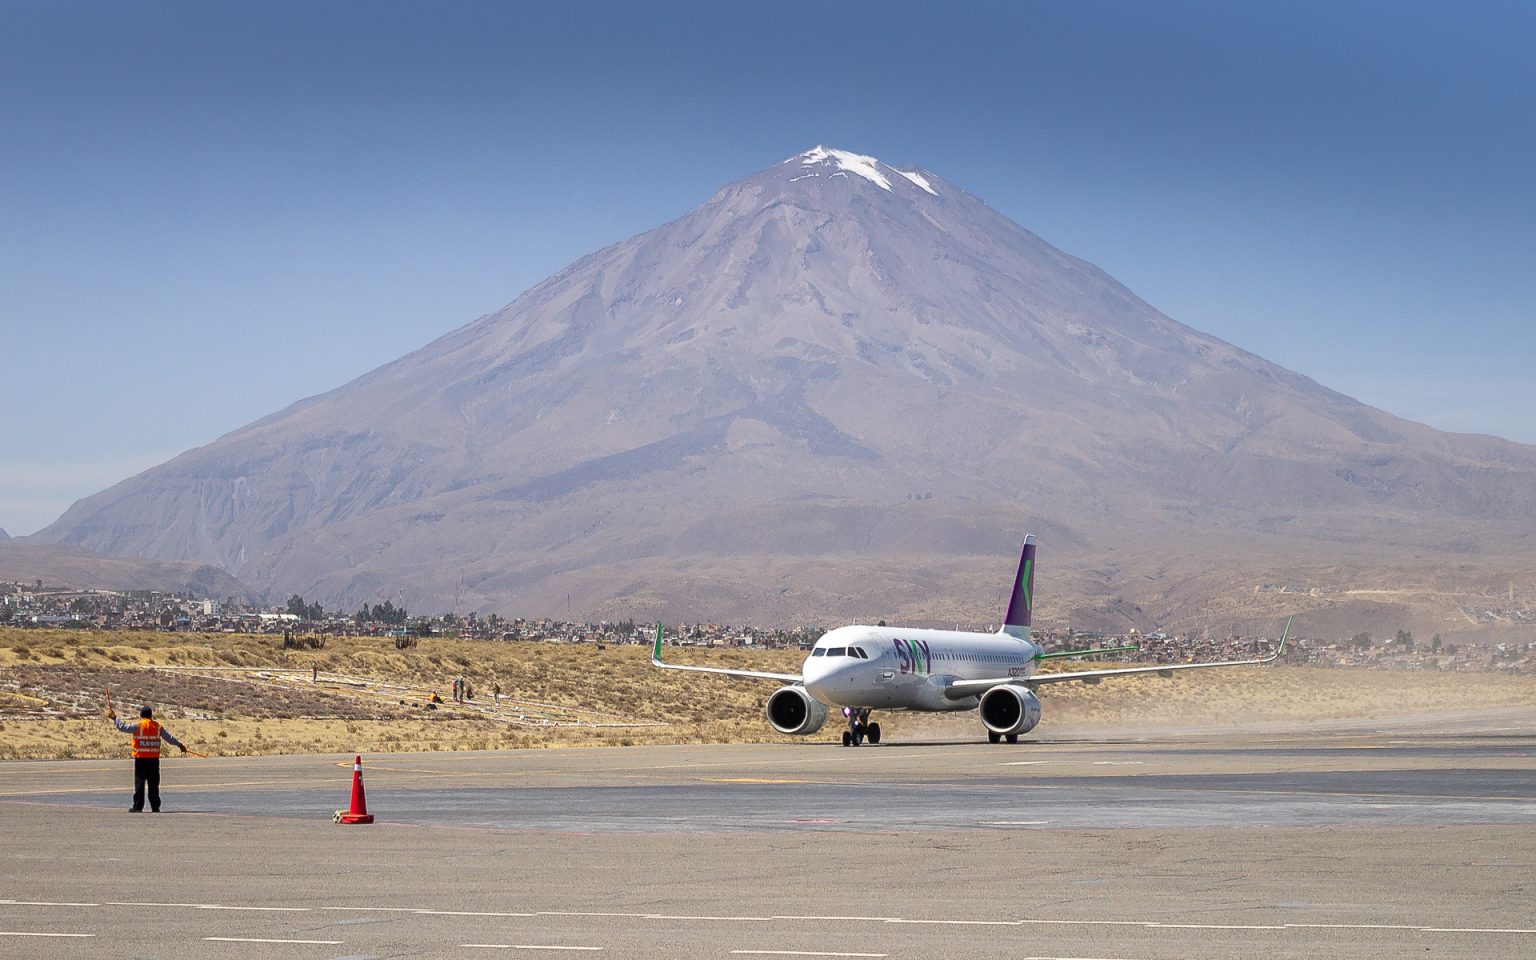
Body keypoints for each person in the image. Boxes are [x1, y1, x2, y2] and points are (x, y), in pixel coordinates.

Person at [108, 704, 187, 813]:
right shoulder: (157, 726)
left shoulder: (138, 726)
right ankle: (155, 807)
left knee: (140, 784)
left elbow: (122, 727)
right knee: (154, 785)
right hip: (154, 761)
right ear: (151, 715)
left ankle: (138, 807)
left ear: (141, 715)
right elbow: (169, 738)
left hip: (141, 760)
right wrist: (180, 745)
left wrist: (115, 718)